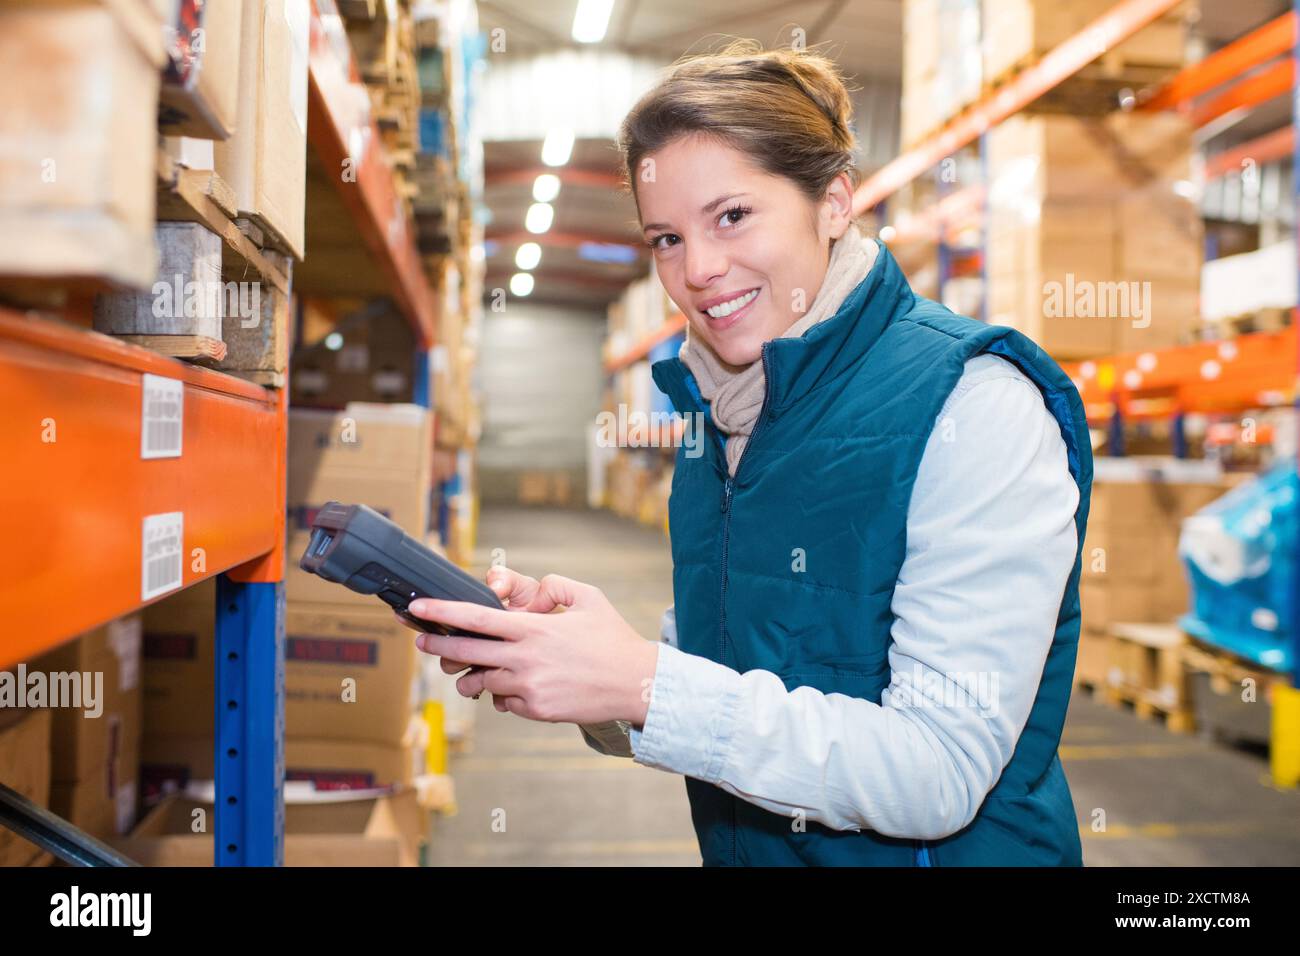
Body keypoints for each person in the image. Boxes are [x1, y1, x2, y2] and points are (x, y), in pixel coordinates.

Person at [403, 42, 1092, 866]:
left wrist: (643, 681)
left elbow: (936, 773)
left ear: (834, 202)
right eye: (665, 238)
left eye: (732, 216)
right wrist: (587, 664)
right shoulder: (725, 414)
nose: (697, 269)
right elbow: (754, 677)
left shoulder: (976, 403)